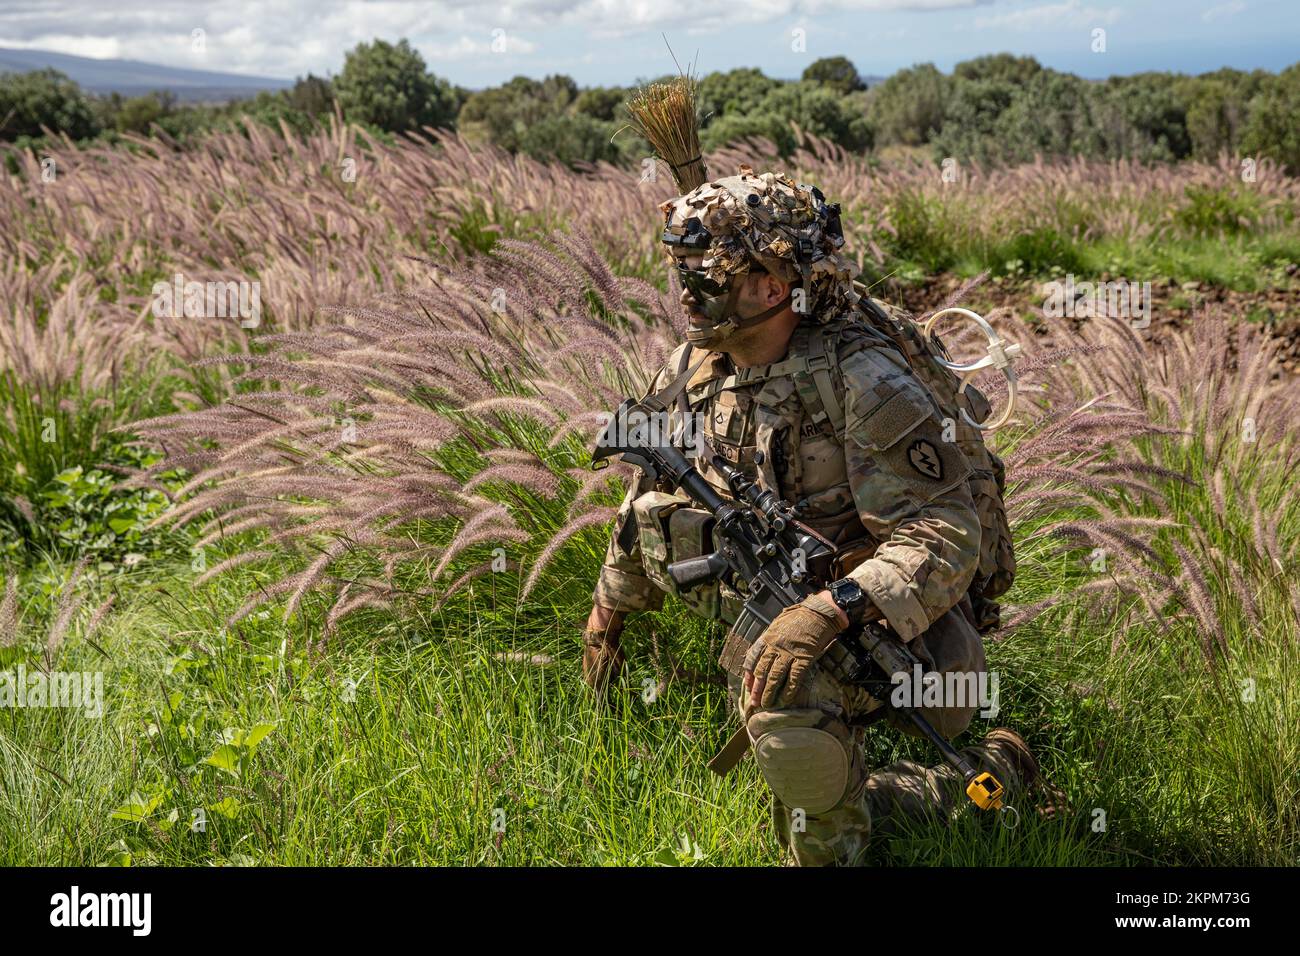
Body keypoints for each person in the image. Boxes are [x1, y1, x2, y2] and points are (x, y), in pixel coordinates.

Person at [583, 167, 1040, 866]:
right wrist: (606, 620)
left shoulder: (862, 383)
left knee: (788, 702)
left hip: (899, 641)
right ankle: (852, 791)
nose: (685, 292)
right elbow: (649, 493)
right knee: (785, 699)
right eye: (683, 271)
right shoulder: (694, 368)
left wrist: (823, 614)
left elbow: (945, 537)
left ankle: (959, 784)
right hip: (774, 607)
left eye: (708, 275)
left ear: (772, 285)